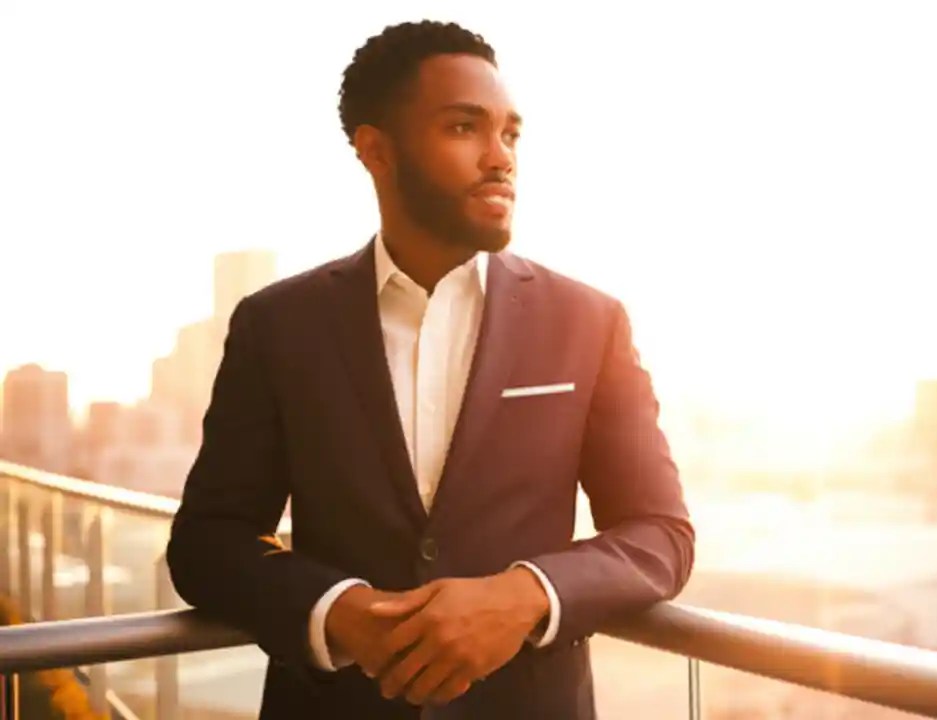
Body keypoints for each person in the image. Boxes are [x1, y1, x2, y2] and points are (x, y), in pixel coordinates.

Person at [166, 19, 695, 719]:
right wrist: (338, 611)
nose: (500, 157)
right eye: (464, 128)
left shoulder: (589, 322)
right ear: (376, 151)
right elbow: (209, 541)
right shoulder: (277, 325)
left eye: (510, 133)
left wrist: (525, 592)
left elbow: (661, 534)